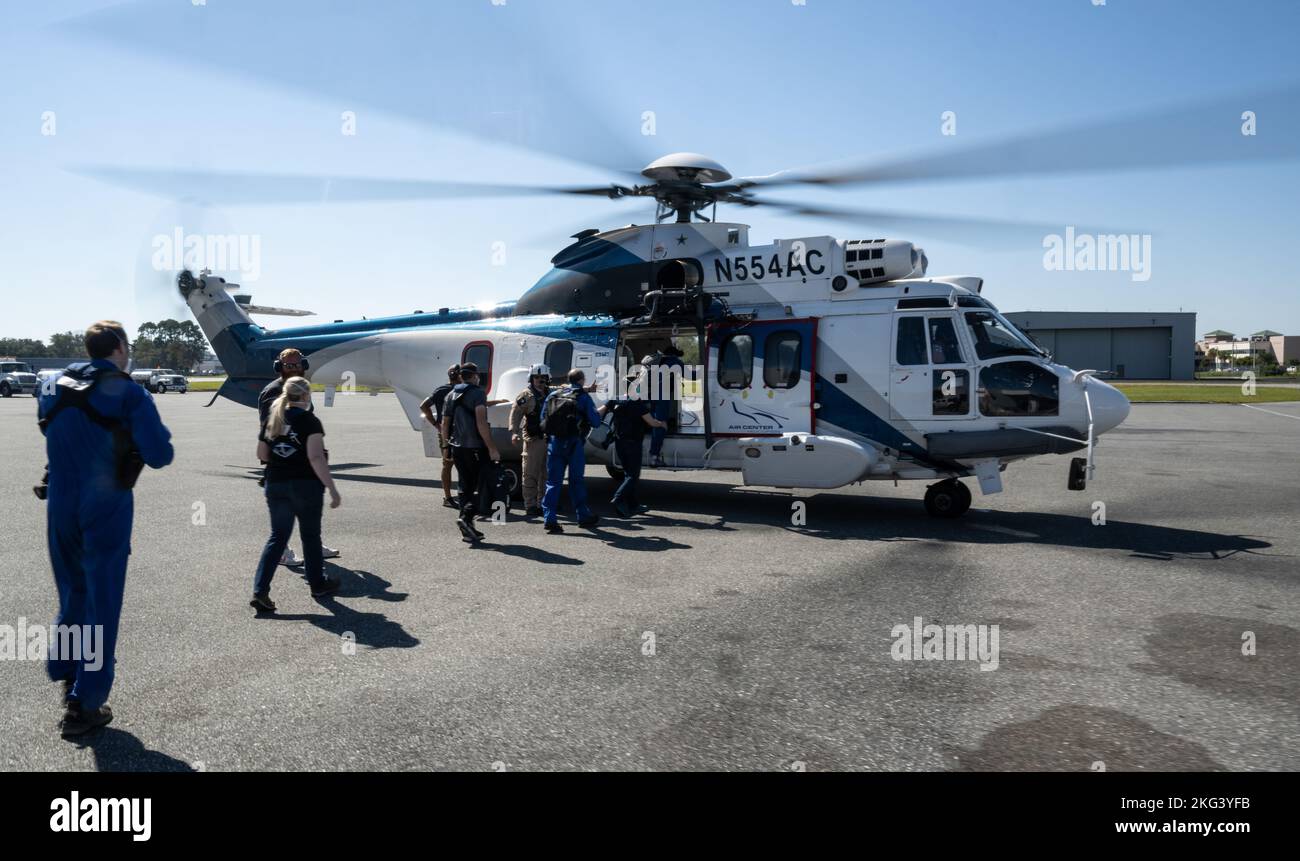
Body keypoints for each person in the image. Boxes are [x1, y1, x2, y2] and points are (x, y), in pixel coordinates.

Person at [38, 321, 174, 737]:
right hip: (106, 504)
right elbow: (160, 454)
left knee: (72, 592)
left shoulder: (51, 385)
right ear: (117, 347)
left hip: (61, 501)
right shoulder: (129, 391)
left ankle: (65, 669)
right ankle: (86, 702)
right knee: (102, 603)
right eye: (127, 345)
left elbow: (50, 429)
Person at [251, 377, 342, 612]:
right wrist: (331, 487)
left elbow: (262, 452)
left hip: (277, 484)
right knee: (310, 537)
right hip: (305, 486)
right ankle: (317, 584)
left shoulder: (274, 419)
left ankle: (260, 590)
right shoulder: (310, 421)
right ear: (306, 396)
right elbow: (315, 457)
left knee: (277, 538)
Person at [258, 348, 341, 566]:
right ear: (280, 367)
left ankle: (313, 545)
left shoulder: (299, 389)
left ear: (304, 365)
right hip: (283, 463)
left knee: (310, 510)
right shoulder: (273, 392)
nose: (294, 369)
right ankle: (283, 552)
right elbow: (268, 431)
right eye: (289, 365)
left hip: (304, 461)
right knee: (283, 516)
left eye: (297, 365)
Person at [440, 362, 501, 544]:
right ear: (474, 375)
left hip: (457, 447)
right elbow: (481, 423)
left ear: (461, 376)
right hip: (475, 447)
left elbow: (444, 424)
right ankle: (466, 518)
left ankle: (468, 529)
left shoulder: (450, 395)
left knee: (464, 485)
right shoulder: (478, 394)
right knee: (480, 485)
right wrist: (492, 447)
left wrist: (446, 447)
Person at [540, 368, 603, 533]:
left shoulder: (553, 395)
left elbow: (543, 419)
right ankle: (582, 516)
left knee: (553, 482)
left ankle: (549, 519)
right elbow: (595, 422)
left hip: (554, 444)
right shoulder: (582, 397)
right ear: (581, 380)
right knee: (576, 481)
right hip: (574, 444)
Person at [600, 369, 667, 517]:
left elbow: (599, 413)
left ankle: (633, 504)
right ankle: (618, 498)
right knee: (633, 475)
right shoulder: (637, 404)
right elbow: (651, 422)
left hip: (619, 442)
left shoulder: (615, 399)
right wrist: (662, 424)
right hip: (633, 444)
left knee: (627, 473)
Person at [508, 363, 551, 517]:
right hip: (533, 440)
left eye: (543, 377)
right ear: (531, 378)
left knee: (546, 475)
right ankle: (530, 505)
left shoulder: (550, 393)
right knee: (530, 473)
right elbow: (515, 413)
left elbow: (568, 389)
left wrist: (587, 389)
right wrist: (514, 432)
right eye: (537, 377)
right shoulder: (525, 396)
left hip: (549, 439)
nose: (540, 380)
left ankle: (543, 503)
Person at [420, 363, 462, 509]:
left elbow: (424, 405)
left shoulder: (441, 390)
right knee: (456, 464)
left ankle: (449, 496)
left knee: (448, 464)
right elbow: (423, 406)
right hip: (455, 432)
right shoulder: (461, 390)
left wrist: (435, 424)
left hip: (446, 432)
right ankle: (453, 496)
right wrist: (436, 424)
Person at [647, 346, 684, 467]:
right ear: (675, 354)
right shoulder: (674, 361)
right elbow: (692, 376)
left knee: (654, 424)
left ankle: (653, 452)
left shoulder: (659, 361)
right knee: (661, 425)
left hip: (652, 395)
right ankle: (654, 456)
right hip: (663, 396)